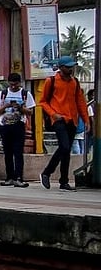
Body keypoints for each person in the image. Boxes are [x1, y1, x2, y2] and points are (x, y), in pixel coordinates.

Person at [39, 56, 90, 191]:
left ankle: (64, 181)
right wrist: (53, 114)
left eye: (71, 67)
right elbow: (43, 102)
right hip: (58, 119)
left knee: (66, 151)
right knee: (65, 147)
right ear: (61, 68)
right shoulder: (51, 81)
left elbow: (80, 102)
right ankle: (47, 172)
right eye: (67, 67)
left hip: (72, 120)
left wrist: (86, 120)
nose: (70, 69)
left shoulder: (75, 82)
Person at [0, 73, 36, 187]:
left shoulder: (25, 94)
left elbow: (31, 112)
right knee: (7, 153)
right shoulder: (3, 94)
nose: (13, 87)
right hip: (5, 126)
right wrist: (6, 106)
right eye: (11, 84)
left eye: (15, 84)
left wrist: (20, 108)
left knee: (18, 153)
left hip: (19, 126)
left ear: (19, 83)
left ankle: (19, 177)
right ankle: (9, 177)